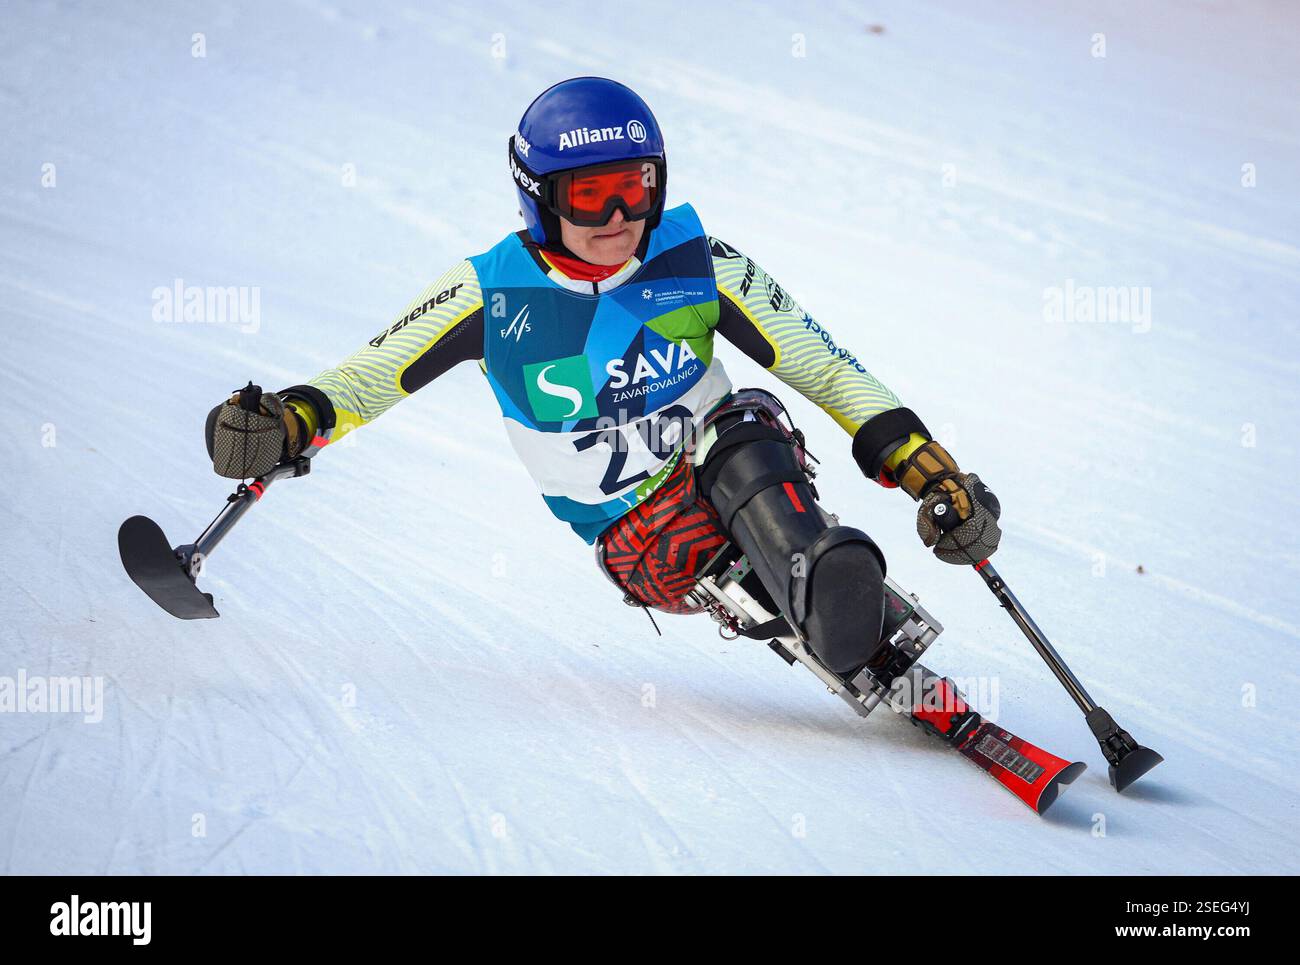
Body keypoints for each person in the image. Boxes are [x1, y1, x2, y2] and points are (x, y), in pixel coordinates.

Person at [205, 77, 1001, 677]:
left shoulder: (699, 262)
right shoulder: (491, 293)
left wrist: (924, 465)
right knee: (714, 521)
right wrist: (285, 421)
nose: (619, 216)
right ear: (539, 199)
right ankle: (821, 594)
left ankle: (823, 582)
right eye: (590, 195)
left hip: (733, 460)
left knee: (747, 438)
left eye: (636, 187)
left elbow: (825, 367)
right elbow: (366, 379)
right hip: (637, 532)